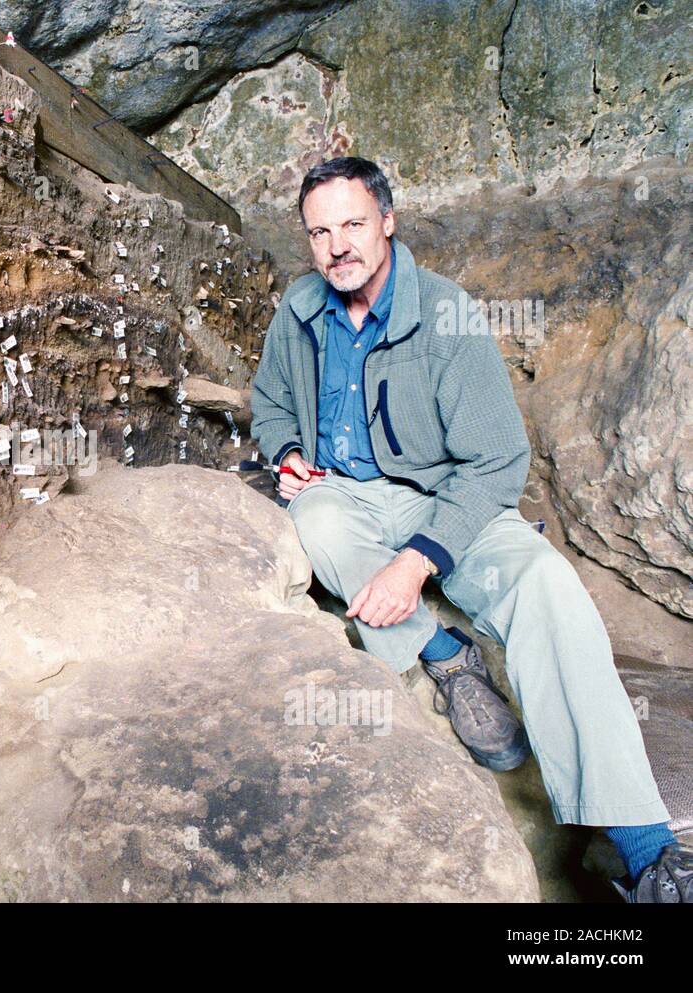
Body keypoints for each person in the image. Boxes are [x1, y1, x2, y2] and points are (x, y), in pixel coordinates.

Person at [249, 155, 690, 902]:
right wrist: (289, 454)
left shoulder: (447, 311)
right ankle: (447, 657)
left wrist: (417, 561)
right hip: (348, 498)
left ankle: (646, 850)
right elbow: (268, 405)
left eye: (353, 223)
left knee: (546, 581)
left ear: (388, 220)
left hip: (448, 498)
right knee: (316, 517)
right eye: (320, 232)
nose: (338, 246)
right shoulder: (297, 312)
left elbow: (496, 460)